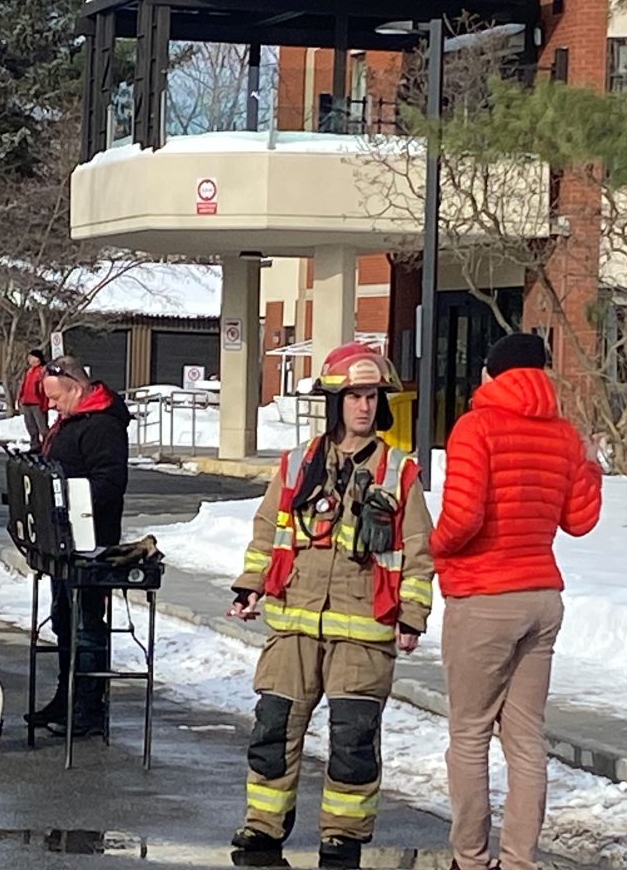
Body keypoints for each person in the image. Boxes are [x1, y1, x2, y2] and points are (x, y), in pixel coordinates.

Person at [228, 343, 434, 870]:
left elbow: (418, 551)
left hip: (364, 634)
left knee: (353, 741)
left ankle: (342, 836)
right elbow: (267, 531)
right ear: (334, 401)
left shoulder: (398, 473)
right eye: (354, 396)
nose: (364, 406)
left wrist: (413, 615)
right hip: (294, 627)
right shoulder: (298, 464)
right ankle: (262, 827)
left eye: (372, 396)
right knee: (273, 728)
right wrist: (250, 585)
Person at [430, 333, 602, 870]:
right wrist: (591, 466)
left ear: (491, 374)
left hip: (483, 598)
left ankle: (471, 859)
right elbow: (579, 522)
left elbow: (462, 519)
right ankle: (521, 861)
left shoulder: (475, 428)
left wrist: (432, 548)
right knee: (527, 742)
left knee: (470, 733)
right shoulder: (564, 436)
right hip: (542, 599)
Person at [23, 355, 129, 738]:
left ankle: (87, 706)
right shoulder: (70, 423)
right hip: (63, 541)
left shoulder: (101, 426)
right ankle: (65, 697)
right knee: (64, 621)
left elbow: (109, 482)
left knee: (86, 625)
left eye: (55, 398)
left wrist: (70, 506)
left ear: (77, 388)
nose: (49, 406)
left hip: (91, 542)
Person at [17, 348, 50, 451]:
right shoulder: (29, 371)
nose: (29, 359)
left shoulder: (42, 371)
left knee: (42, 427)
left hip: (37, 402)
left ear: (38, 359)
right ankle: (35, 445)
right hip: (27, 401)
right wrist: (20, 398)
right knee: (30, 426)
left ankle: (47, 446)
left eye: (32, 357)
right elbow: (23, 385)